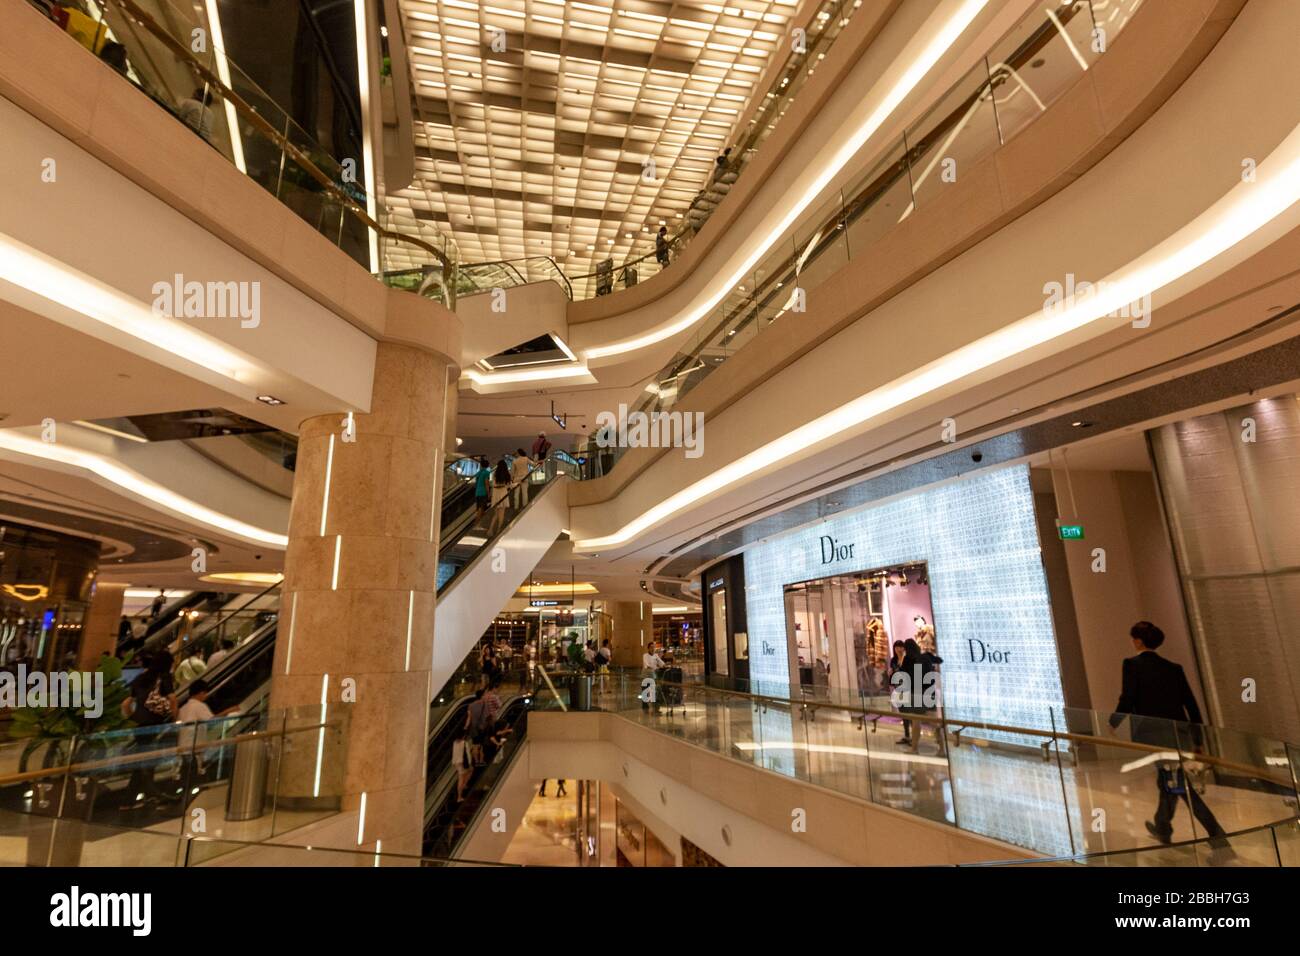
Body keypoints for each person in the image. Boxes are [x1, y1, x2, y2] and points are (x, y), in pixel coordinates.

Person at [1108, 621, 1233, 860]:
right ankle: (1162, 826)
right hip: (1179, 734)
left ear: (1138, 641)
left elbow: (1128, 697)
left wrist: (1113, 721)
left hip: (1153, 736)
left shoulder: (1132, 665)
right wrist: (1197, 738)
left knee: (1179, 785)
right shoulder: (1173, 668)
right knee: (1168, 780)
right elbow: (1191, 705)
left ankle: (1216, 833)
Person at [124, 652, 177, 809]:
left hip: (140, 726)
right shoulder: (164, 678)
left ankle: (136, 798)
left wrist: (132, 718)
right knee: (147, 762)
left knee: (143, 760)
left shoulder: (141, 678)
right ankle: (149, 794)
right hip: (155, 724)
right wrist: (173, 719)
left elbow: (126, 703)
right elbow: (173, 700)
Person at [175, 678, 238, 802]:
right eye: (205, 693)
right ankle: (189, 800)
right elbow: (211, 720)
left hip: (183, 745)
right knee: (193, 774)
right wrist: (228, 711)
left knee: (185, 773)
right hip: (194, 746)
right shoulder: (199, 706)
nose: (206, 696)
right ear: (201, 693)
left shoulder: (183, 708)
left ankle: (182, 797)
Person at [894, 638, 944, 754]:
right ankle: (942, 748)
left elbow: (903, 675)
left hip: (916, 693)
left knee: (916, 722)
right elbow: (939, 660)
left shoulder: (908, 659)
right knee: (934, 722)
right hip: (929, 692)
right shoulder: (926, 656)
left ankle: (914, 748)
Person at [487, 457, 511, 534]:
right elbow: (509, 486)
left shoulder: (495, 473)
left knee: (496, 514)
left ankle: (490, 529)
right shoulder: (507, 474)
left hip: (496, 495)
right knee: (502, 514)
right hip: (503, 494)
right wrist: (517, 483)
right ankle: (498, 530)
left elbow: (493, 484)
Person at [451, 728, 474, 801]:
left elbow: (454, 753)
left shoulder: (455, 742)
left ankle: (464, 785)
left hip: (456, 763)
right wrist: (470, 763)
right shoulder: (464, 743)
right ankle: (459, 796)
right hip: (463, 763)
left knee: (464, 775)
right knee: (462, 778)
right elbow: (467, 754)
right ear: (463, 736)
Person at [473, 455, 492, 524]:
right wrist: (489, 493)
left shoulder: (478, 473)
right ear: (487, 466)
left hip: (477, 492)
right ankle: (476, 523)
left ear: (481, 465)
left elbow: (476, 483)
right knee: (481, 508)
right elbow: (486, 483)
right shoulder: (486, 473)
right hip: (483, 492)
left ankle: (481, 523)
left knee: (479, 508)